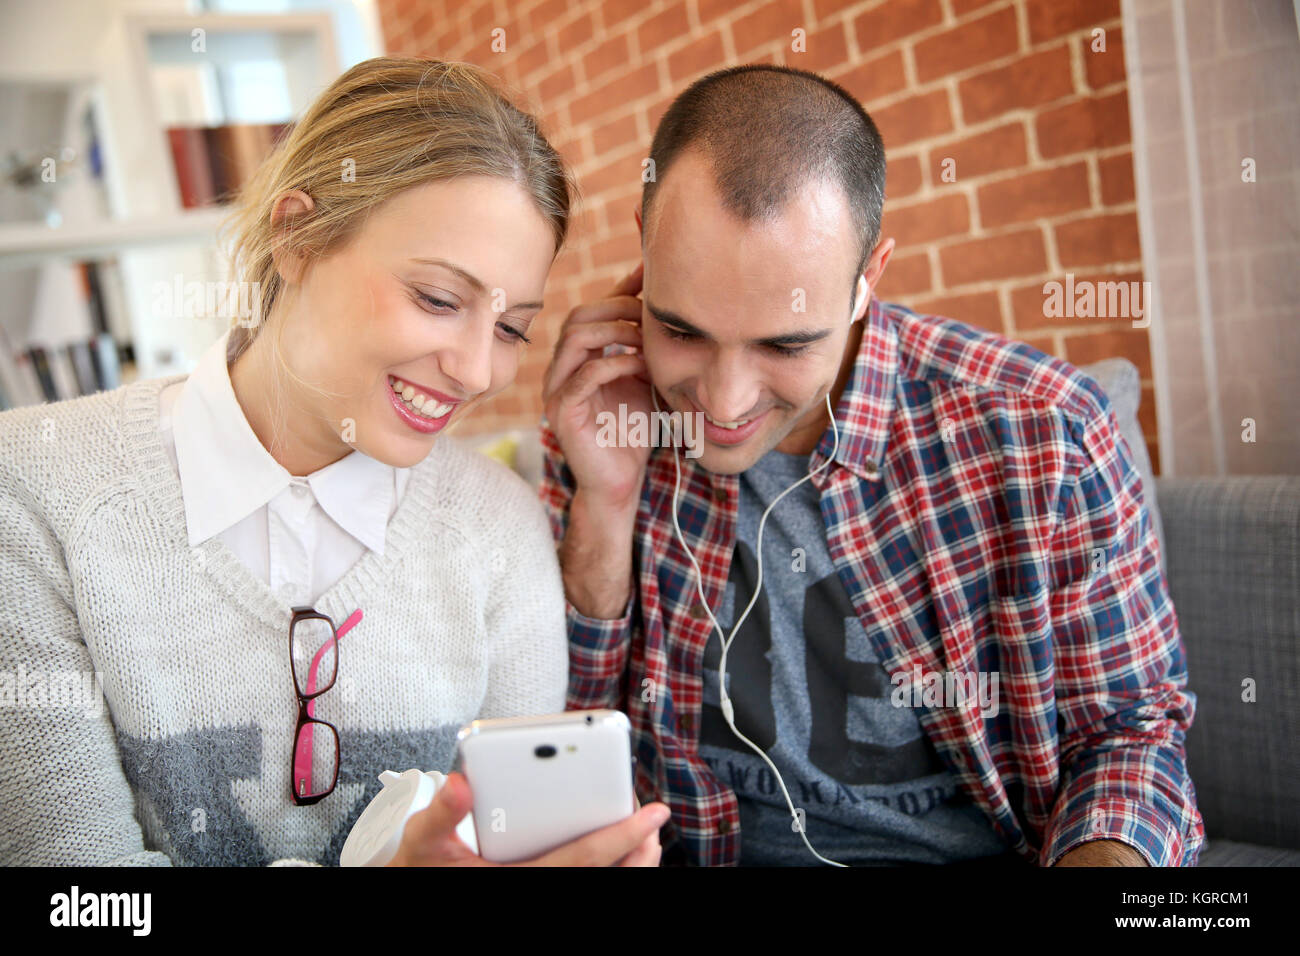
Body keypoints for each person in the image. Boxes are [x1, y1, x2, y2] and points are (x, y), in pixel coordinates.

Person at [0, 56, 666, 867]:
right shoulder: (36, 486)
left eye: (511, 327)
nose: (478, 370)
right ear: (296, 235)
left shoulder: (498, 526)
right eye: (439, 300)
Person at [539, 65, 1203, 867]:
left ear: (866, 281)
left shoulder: (1043, 433)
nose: (721, 399)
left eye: (785, 345)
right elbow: (560, 753)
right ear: (644, 242)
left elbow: (1127, 733)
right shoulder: (606, 409)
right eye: (682, 330)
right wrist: (605, 509)